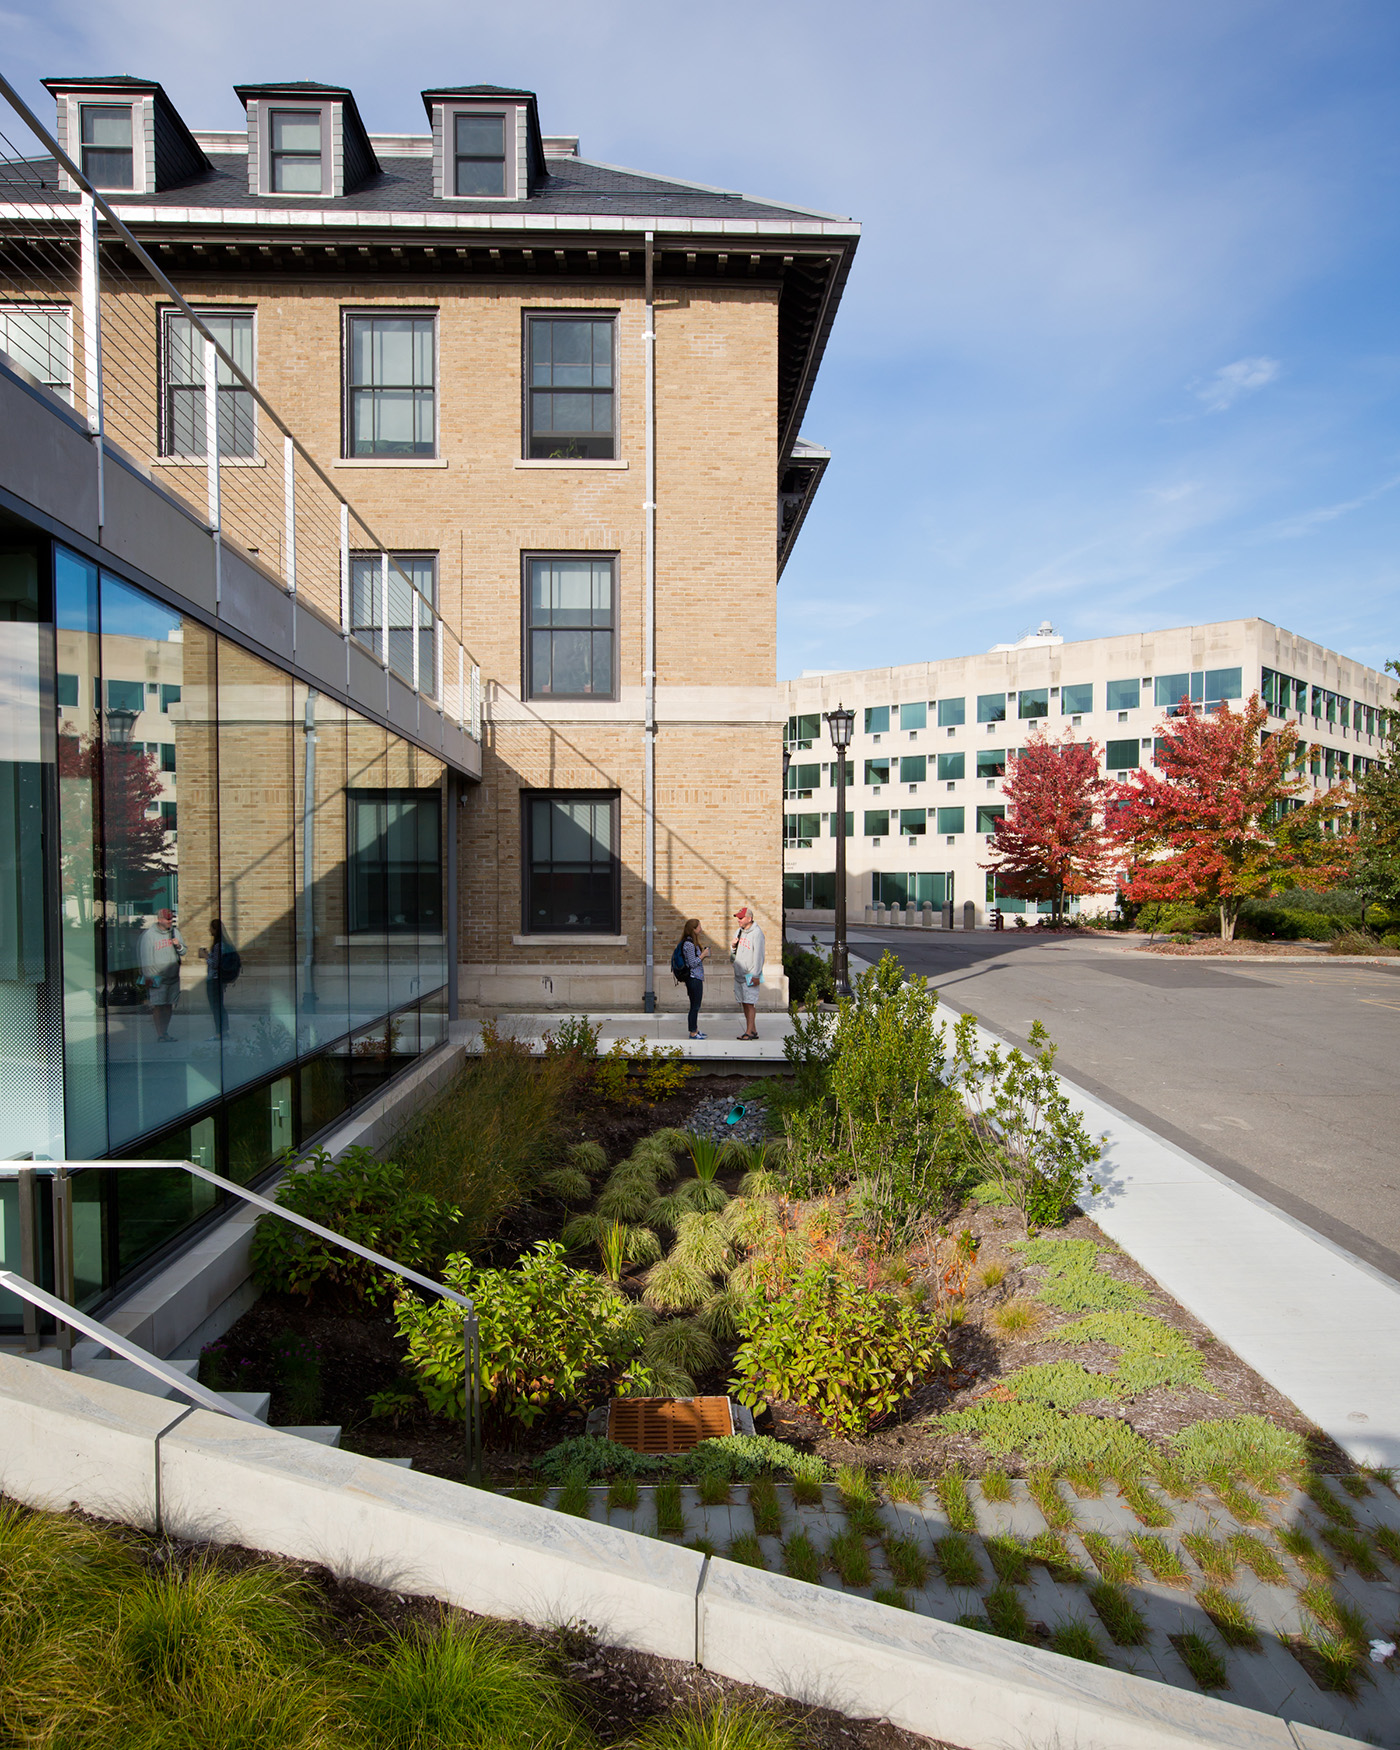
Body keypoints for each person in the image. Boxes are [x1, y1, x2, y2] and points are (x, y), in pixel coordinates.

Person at [138, 907, 185, 1042]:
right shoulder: (149, 936)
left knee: (169, 1005)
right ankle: (160, 1035)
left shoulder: (175, 933)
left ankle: (165, 1032)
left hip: (173, 977)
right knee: (158, 1006)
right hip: (157, 978)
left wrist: (179, 946)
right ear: (159, 919)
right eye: (167, 919)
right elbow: (146, 960)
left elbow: (184, 951)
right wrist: (151, 979)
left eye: (171, 919)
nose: (170, 921)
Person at [731, 905, 766, 1040]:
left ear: (749, 919)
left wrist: (756, 975)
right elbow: (733, 955)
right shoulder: (738, 932)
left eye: (741, 918)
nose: (738, 920)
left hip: (750, 974)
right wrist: (733, 946)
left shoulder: (757, 934)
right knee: (744, 1002)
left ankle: (749, 1032)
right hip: (739, 974)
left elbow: (759, 956)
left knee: (750, 1003)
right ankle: (753, 1029)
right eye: (738, 918)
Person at [200, 918, 233, 1039]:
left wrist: (205, 956)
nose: (209, 930)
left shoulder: (219, 945)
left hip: (214, 980)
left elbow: (215, 964)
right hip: (218, 979)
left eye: (211, 928)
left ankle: (220, 1032)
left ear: (215, 930)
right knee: (219, 1006)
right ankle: (224, 1031)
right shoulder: (223, 945)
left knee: (216, 1007)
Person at [680, 917, 709, 1038]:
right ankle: (693, 1032)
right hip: (693, 978)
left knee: (696, 1005)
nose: (701, 929)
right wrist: (703, 955)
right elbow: (692, 963)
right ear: (693, 929)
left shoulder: (692, 943)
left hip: (696, 977)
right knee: (695, 1006)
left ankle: (695, 1029)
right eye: (699, 927)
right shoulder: (689, 944)